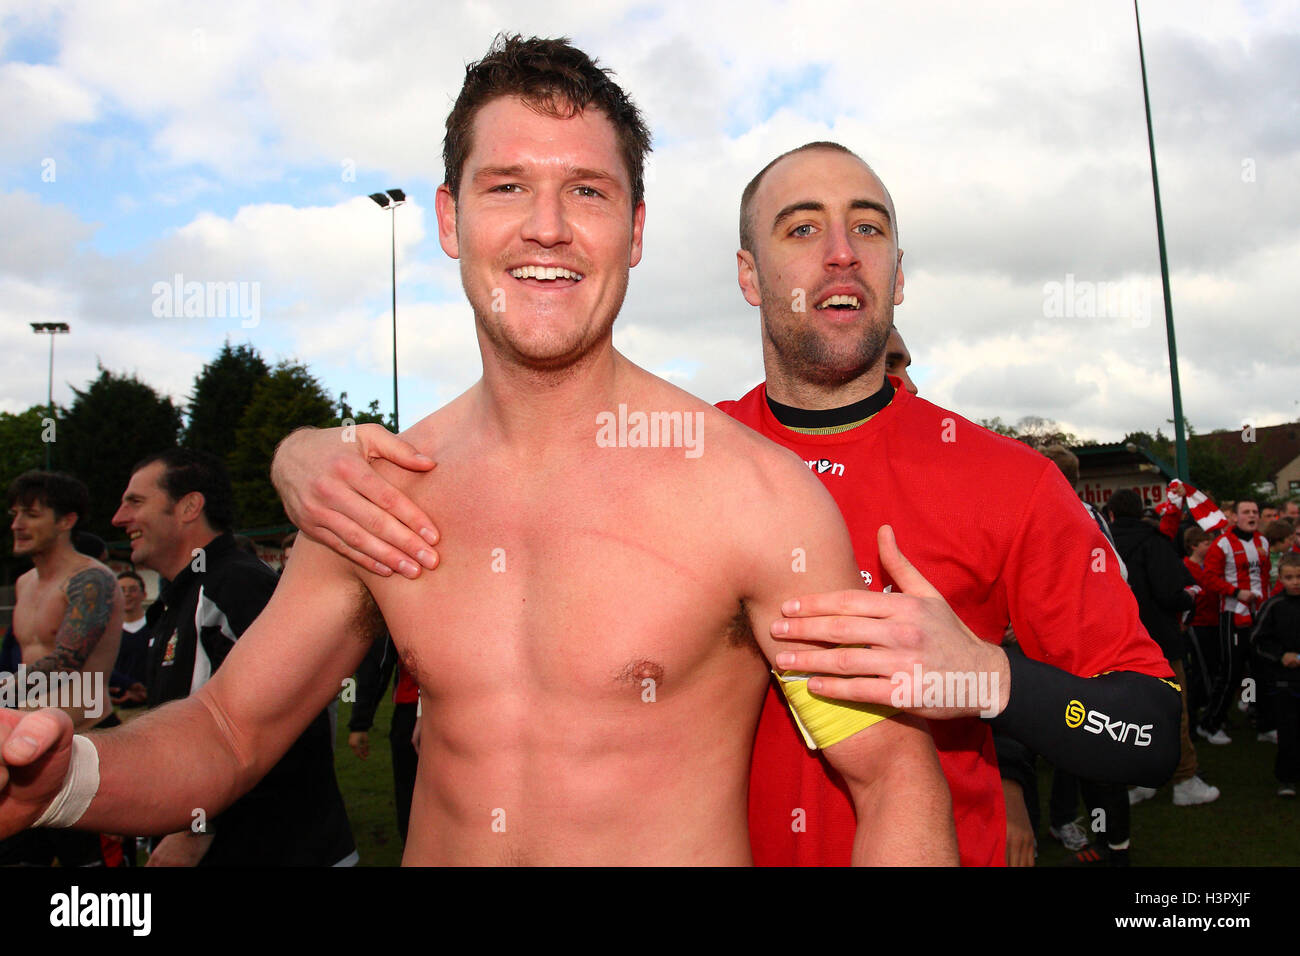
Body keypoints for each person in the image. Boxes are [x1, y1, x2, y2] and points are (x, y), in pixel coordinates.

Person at [0, 36, 955, 867]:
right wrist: (58, 780)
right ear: (451, 221)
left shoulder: (754, 499)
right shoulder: (377, 501)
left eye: (587, 190)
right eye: (508, 187)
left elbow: (892, 782)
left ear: (635, 229)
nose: (548, 226)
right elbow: (227, 730)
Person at [266, 139, 1180, 866]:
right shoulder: (670, 456)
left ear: (899, 275)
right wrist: (299, 453)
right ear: (748, 277)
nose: (837, 252)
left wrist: (997, 681)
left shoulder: (1009, 481)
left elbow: (1147, 730)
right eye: (800, 228)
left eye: (868, 228)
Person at [106, 449, 356, 866]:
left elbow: (296, 718)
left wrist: (197, 830)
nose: (118, 518)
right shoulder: (176, 601)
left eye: (135, 502)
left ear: (189, 506)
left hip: (278, 849)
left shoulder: (236, 585)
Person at [0, 471, 123, 867]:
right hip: (26, 751)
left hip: (86, 746)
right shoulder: (23, 583)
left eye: (32, 514)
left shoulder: (91, 580)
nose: (17, 524)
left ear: (66, 520)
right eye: (15, 513)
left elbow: (66, 662)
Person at [1200, 498, 1271, 743]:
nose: (1252, 516)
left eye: (1255, 512)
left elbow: (1264, 577)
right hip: (1233, 615)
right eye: (1246, 512)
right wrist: (1235, 592)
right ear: (1235, 517)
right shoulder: (1222, 544)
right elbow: (1209, 578)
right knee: (1231, 671)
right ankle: (1210, 724)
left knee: (1258, 669)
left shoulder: (1263, 542)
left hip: (1258, 616)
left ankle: (1257, 716)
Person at [1252, 552, 1300, 795]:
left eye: (1299, 577)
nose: (1295, 582)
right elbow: (1258, 640)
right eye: (1289, 577)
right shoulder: (1274, 606)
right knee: (1288, 729)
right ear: (1280, 578)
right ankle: (1287, 778)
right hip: (1285, 680)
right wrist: (1281, 656)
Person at [108, 571, 149, 708]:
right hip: (118, 709)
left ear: (144, 595)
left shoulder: (157, 628)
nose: (127, 594)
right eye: (121, 590)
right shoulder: (106, 633)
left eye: (133, 590)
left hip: (152, 707)